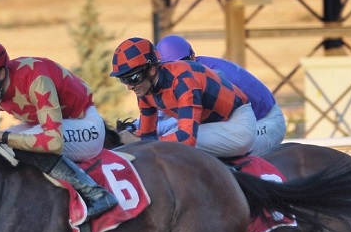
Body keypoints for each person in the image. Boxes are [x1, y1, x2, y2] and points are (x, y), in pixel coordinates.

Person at [0, 36, 117, 218]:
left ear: (0, 74)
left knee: (13, 142)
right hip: (53, 126)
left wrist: (1, 136)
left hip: (87, 127)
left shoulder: (36, 78)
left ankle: (97, 194)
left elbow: (54, 142)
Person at [110, 36, 256, 158]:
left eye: (133, 78)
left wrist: (136, 142)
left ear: (152, 70)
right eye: (124, 80)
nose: (130, 86)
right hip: (210, 125)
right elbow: (147, 136)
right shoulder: (145, 90)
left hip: (238, 124)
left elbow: (187, 138)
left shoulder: (183, 80)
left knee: (170, 145)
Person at [156, 34, 287, 156]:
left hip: (266, 122)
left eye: (184, 62)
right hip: (243, 119)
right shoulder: (178, 76)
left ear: (193, 57)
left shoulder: (209, 74)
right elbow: (162, 116)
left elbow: (187, 116)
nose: (180, 68)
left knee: (192, 145)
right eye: (172, 66)